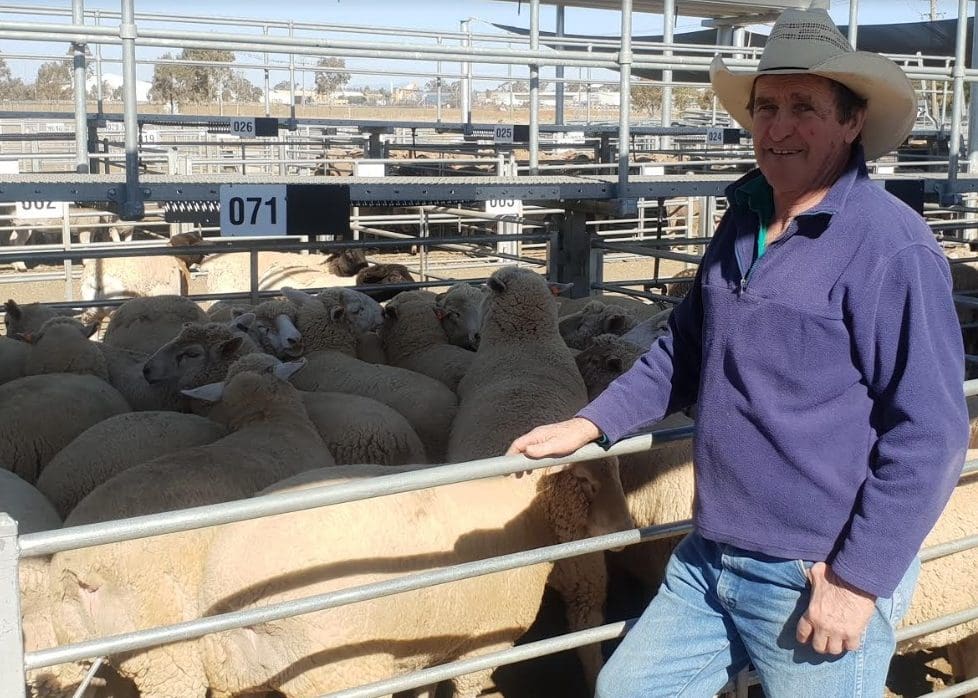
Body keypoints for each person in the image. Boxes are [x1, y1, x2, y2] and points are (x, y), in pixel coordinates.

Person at [507, 7, 969, 697]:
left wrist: (856, 580)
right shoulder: (743, 218)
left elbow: (931, 432)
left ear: (851, 122)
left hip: (814, 568)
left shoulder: (890, 248)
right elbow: (685, 349)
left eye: (804, 107)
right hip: (711, 552)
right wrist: (593, 424)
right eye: (766, 106)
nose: (778, 127)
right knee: (627, 690)